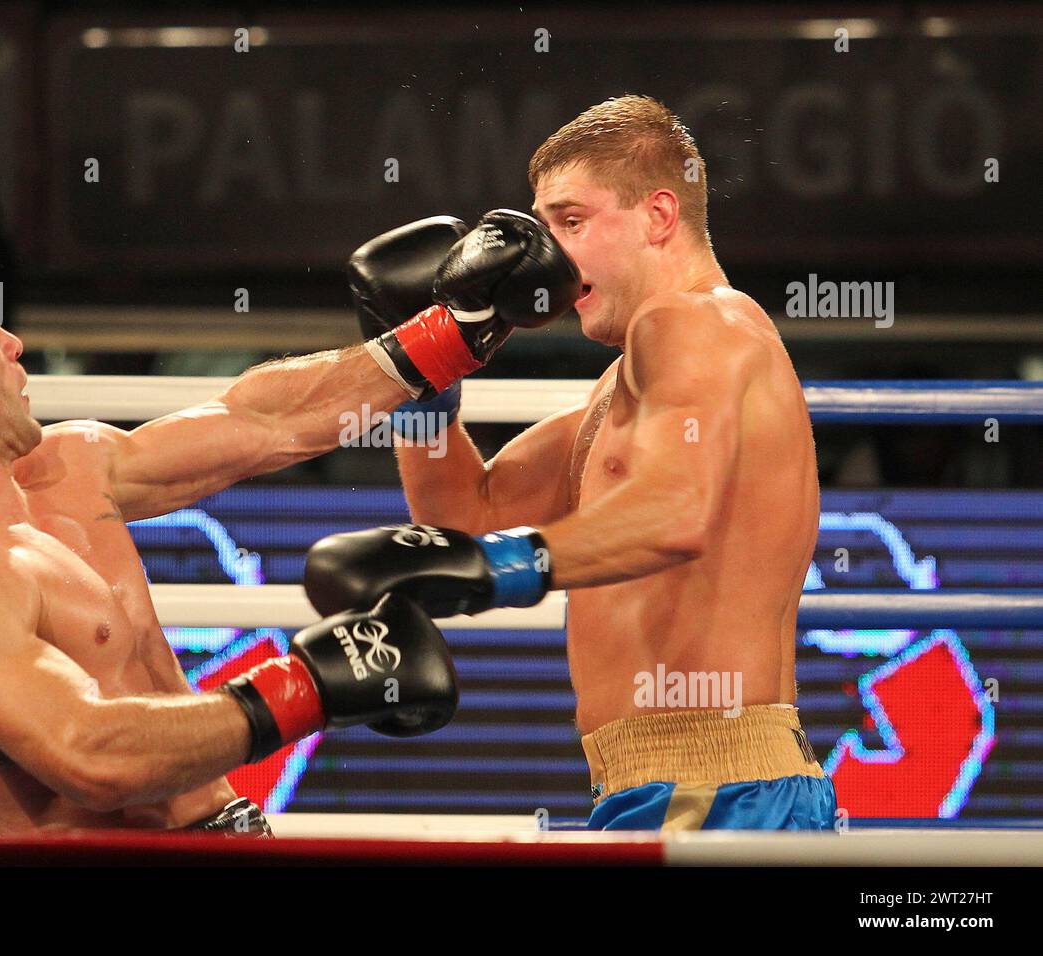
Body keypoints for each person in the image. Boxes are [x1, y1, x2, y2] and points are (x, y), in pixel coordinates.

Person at [0, 228, 573, 833]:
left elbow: (265, 419)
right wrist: (306, 688)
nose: (14, 344)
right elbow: (89, 753)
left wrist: (455, 330)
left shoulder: (71, 468)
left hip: (232, 829)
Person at [305, 95, 837, 832]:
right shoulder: (627, 380)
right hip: (663, 785)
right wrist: (421, 369)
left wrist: (502, 569)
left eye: (572, 222)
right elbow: (465, 518)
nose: (547, 256)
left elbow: (674, 511)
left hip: (717, 786)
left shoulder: (695, 324)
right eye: (542, 226)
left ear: (658, 217)